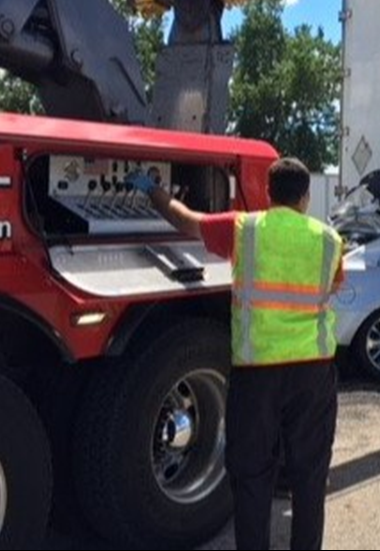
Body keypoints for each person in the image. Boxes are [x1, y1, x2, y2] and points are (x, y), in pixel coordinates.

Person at [129, 157, 344, 551]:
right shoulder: (329, 239)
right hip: (313, 374)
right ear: (306, 197)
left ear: (267, 192)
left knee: (251, 476)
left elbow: (185, 220)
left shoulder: (245, 229)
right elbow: (335, 286)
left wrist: (151, 189)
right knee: (310, 477)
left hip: (258, 372)